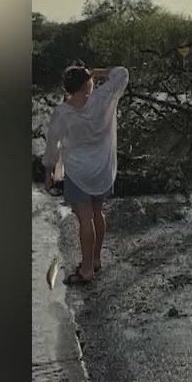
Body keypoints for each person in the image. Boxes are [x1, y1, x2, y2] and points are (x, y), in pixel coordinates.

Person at [42, 63, 129, 285]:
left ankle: (87, 269)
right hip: (102, 168)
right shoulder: (102, 98)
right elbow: (122, 73)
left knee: (84, 220)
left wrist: (48, 172)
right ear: (87, 82)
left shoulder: (63, 111)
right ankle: (96, 260)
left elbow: (53, 144)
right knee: (97, 213)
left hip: (78, 171)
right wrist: (97, 72)